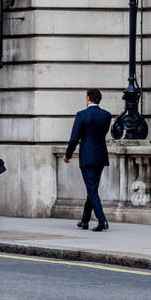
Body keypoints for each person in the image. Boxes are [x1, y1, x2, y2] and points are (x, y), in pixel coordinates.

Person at [64, 88, 112, 231]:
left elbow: (74, 138)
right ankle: (85, 220)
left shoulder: (81, 115)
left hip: (87, 157)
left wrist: (68, 155)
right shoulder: (107, 115)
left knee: (92, 190)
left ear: (88, 98)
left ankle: (102, 220)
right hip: (101, 155)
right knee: (92, 189)